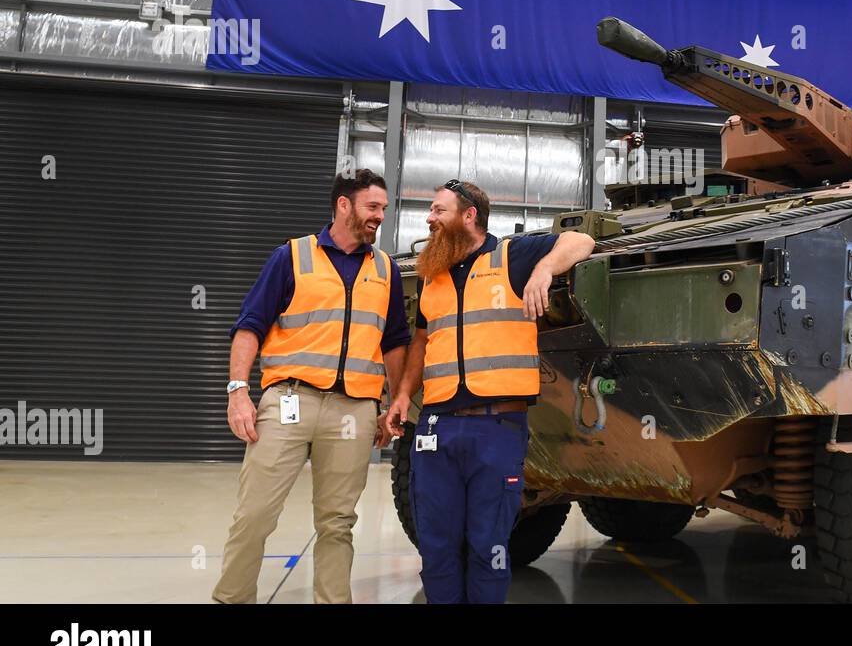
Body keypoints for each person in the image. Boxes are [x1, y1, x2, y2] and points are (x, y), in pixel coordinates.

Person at [385, 178, 595, 604]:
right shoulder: (431, 275)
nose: (429, 218)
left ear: (469, 217)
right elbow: (422, 342)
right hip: (436, 428)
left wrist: (545, 269)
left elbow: (581, 239)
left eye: (438, 211)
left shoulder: (510, 258)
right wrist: (404, 394)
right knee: (436, 546)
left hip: (496, 427)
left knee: (490, 547)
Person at [213, 169, 410, 604]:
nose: (380, 216)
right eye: (372, 207)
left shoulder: (386, 270)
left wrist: (394, 400)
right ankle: (231, 599)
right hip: (289, 400)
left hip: (353, 411)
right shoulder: (291, 257)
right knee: (255, 514)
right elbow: (249, 327)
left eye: (384, 208)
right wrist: (237, 391)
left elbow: (394, 341)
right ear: (344, 206)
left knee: (338, 523)